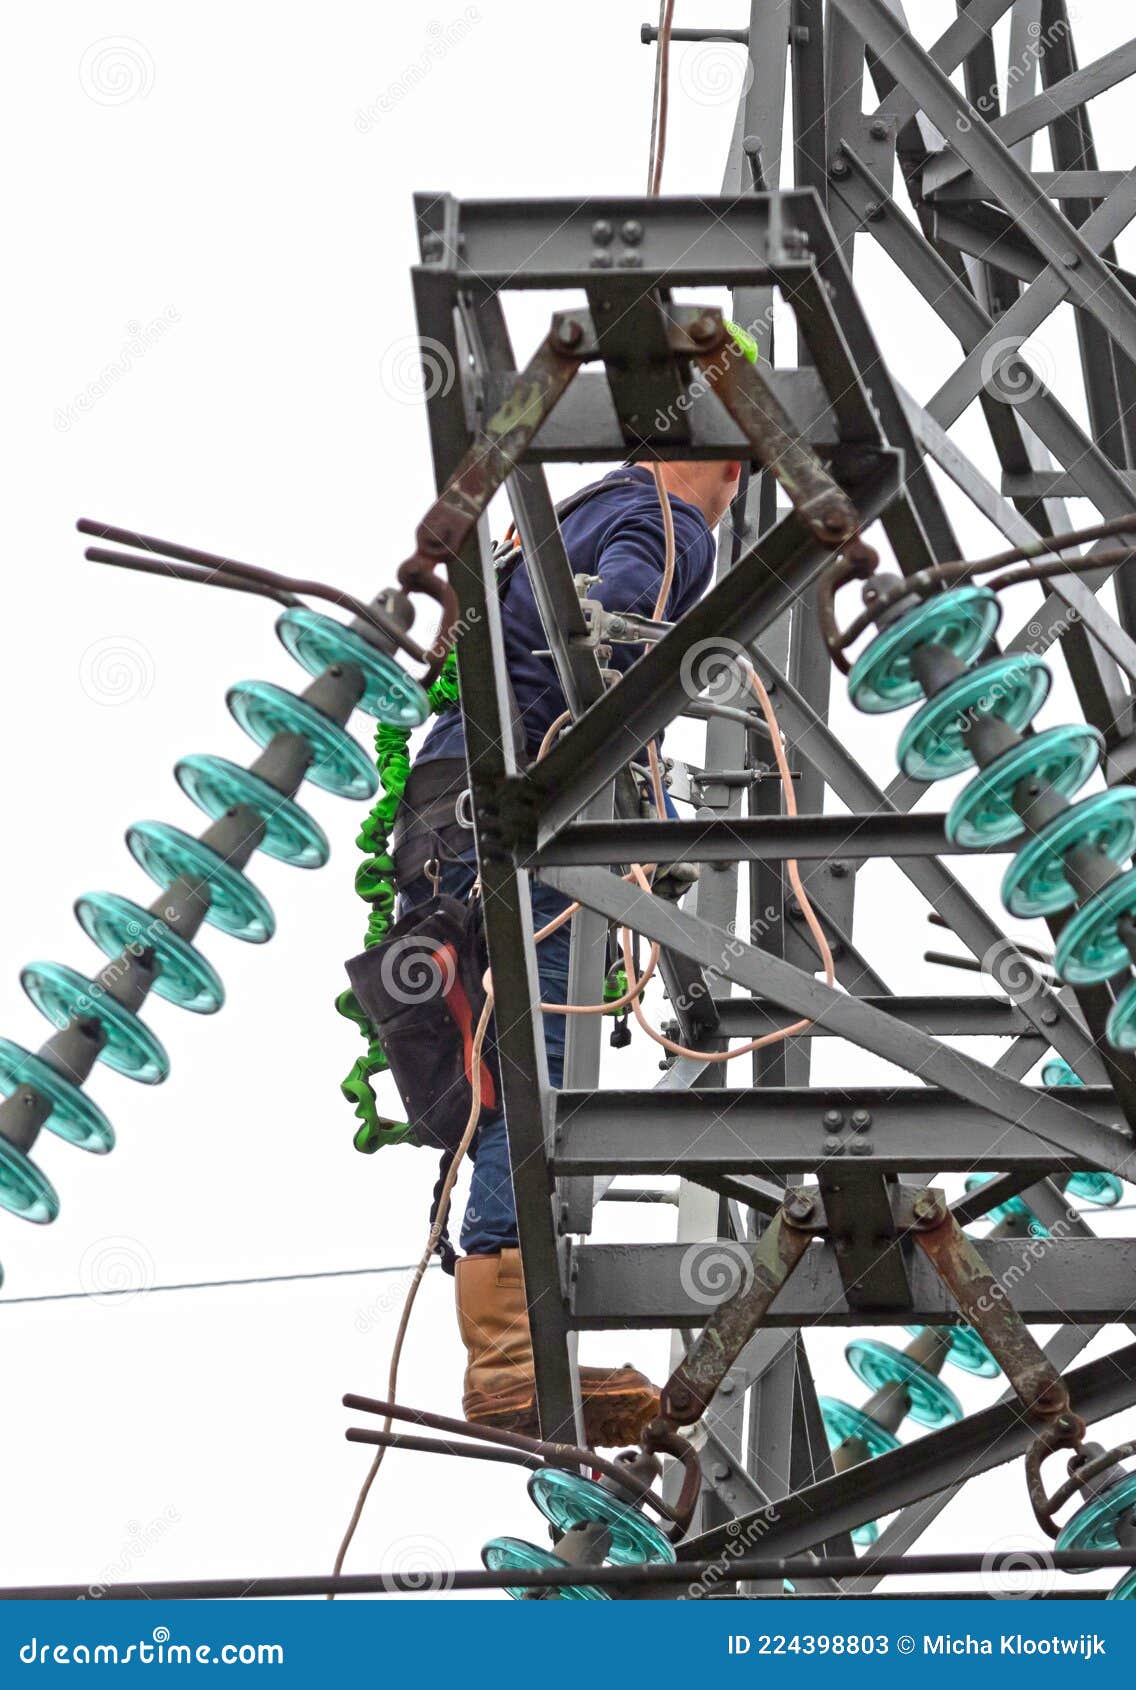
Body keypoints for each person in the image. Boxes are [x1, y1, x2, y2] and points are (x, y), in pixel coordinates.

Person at [392, 458, 742, 1445]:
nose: (735, 492)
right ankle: (506, 1355)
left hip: (445, 815)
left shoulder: (567, 517)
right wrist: (652, 836)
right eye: (741, 472)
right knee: (530, 1066)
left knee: (504, 1069)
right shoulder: (668, 521)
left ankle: (507, 1340)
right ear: (725, 459)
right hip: (514, 812)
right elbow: (613, 654)